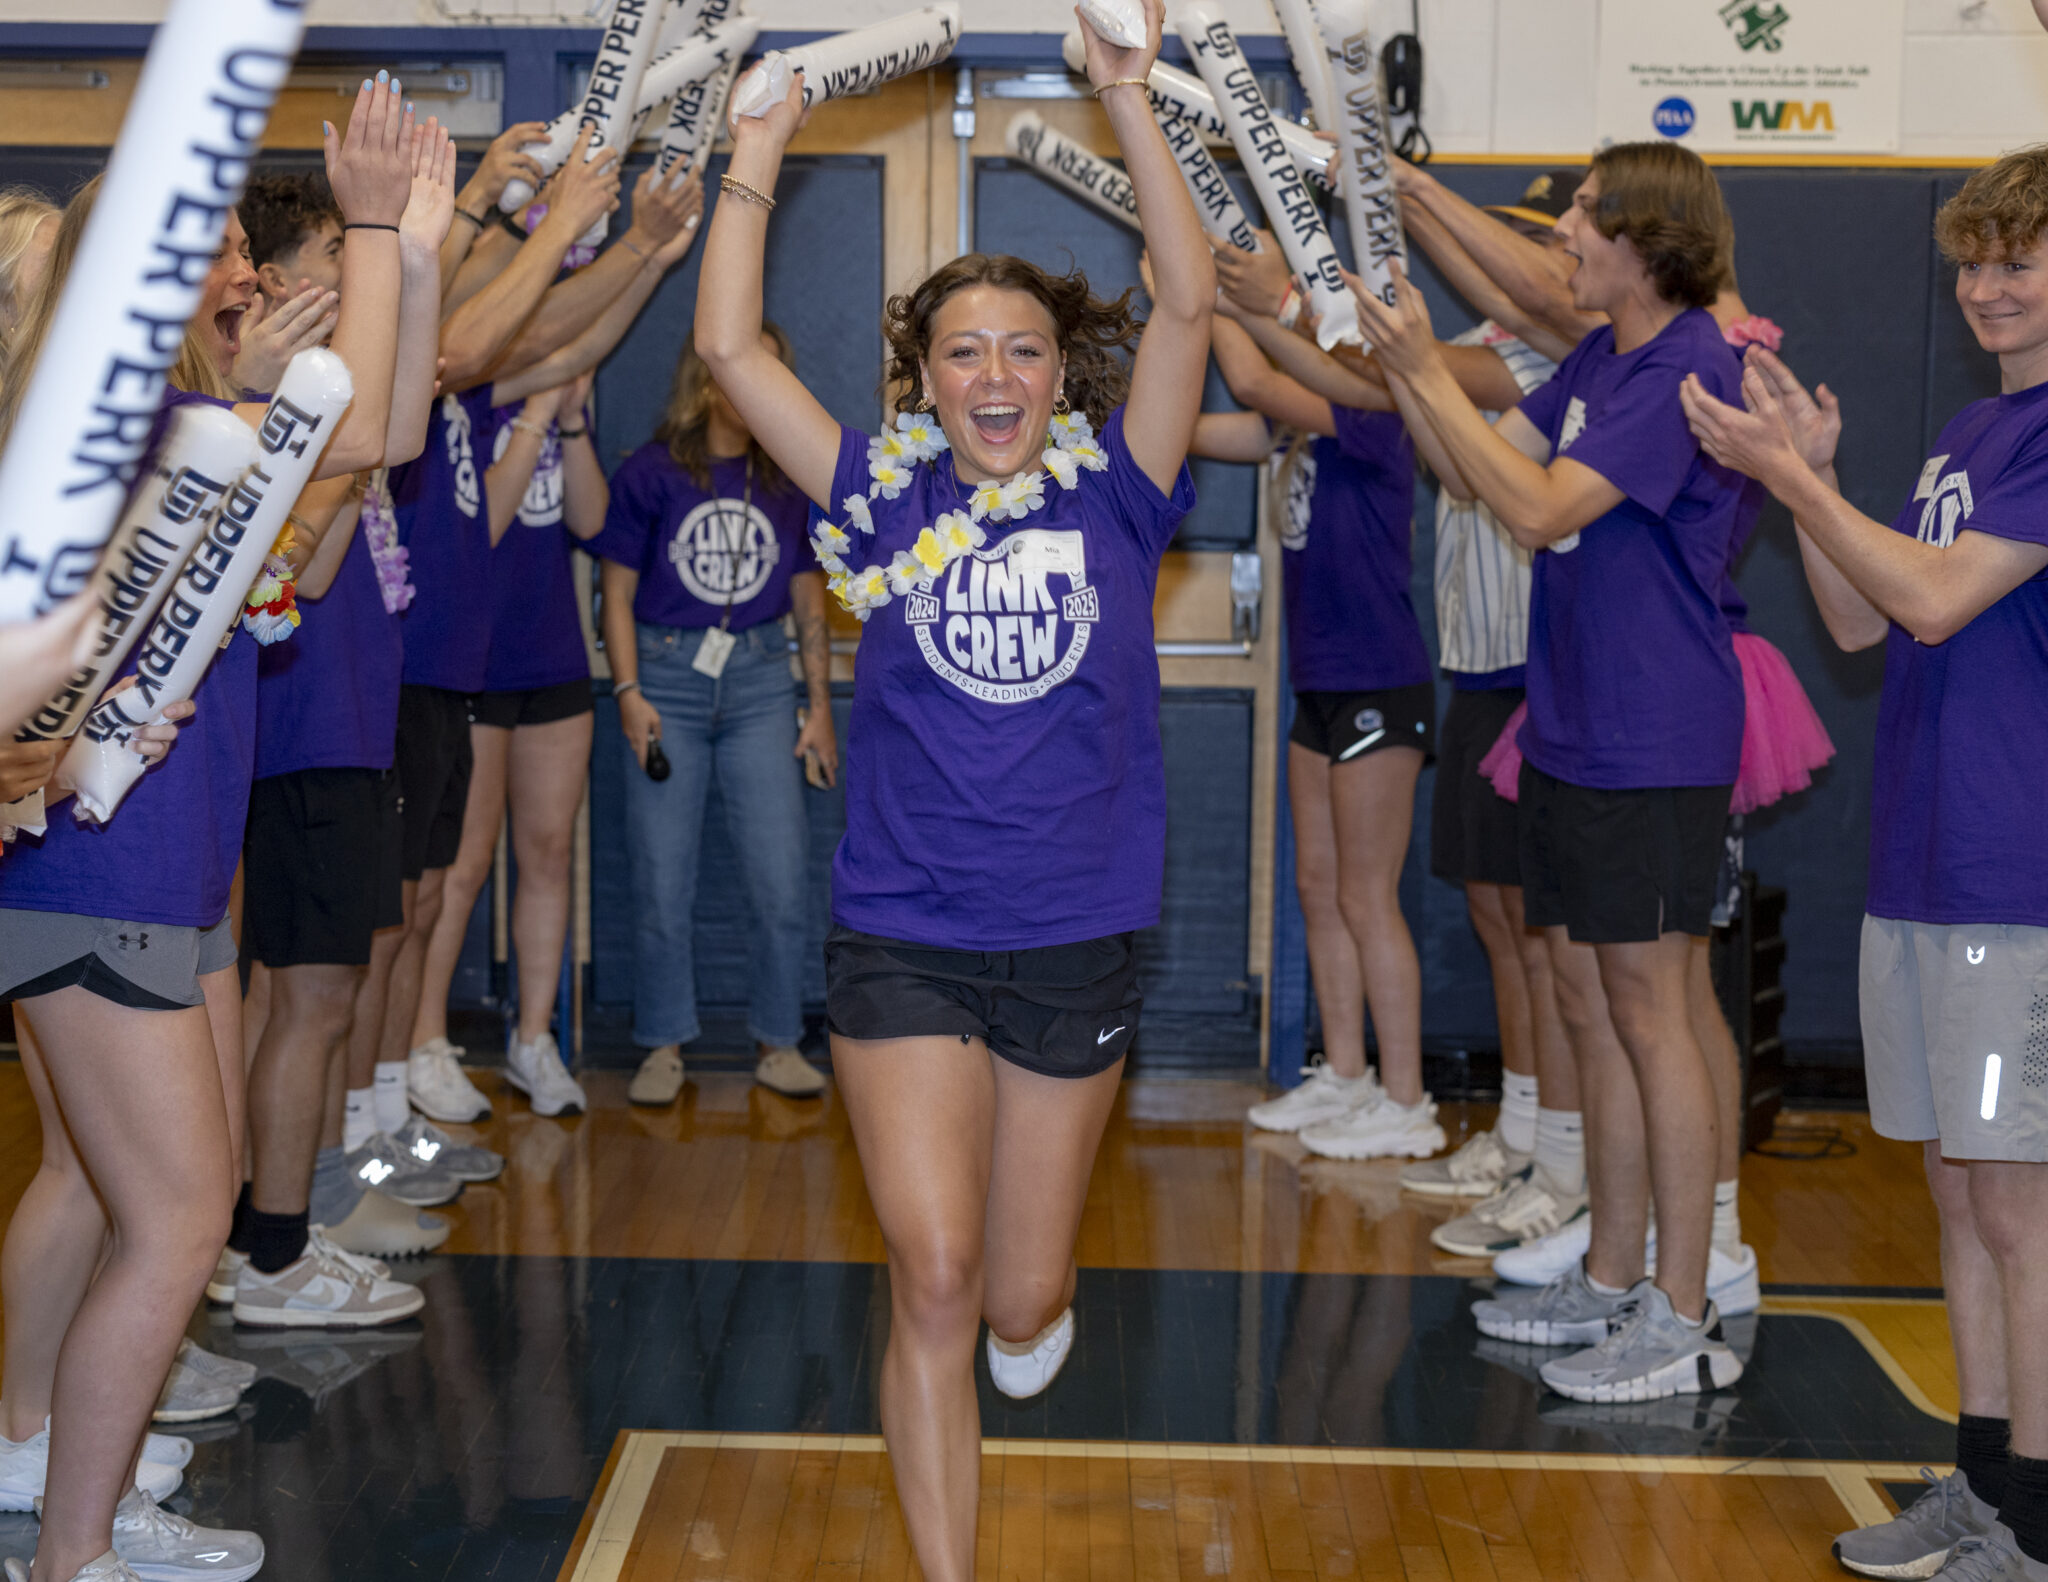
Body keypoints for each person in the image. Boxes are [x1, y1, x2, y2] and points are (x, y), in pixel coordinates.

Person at [691, 0, 1213, 1568]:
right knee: (928, 1272)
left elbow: (1186, 300)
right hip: (905, 932)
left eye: (1027, 350)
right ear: (923, 380)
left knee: (1015, 1293)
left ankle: (1022, 1314)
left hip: (1075, 936)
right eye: (963, 352)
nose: (998, 376)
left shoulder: (1121, 494)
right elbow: (724, 344)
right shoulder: (869, 493)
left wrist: (1127, 101)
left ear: (1063, 375)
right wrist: (758, 153)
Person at [0, 75, 417, 1582]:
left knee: (91, 1183)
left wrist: (404, 257)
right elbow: (368, 425)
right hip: (100, 868)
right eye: (225, 250)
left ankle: (36, 1453)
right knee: (180, 1223)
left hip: (140, 872)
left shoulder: (177, 424)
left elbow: (374, 429)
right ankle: (75, 1550)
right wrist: (374, 230)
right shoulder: (149, 436)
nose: (248, 271)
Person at [1681, 143, 2048, 1582]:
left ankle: (2035, 1518)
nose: (1987, 287)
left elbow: (1939, 595)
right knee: (1962, 1191)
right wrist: (1814, 483)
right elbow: (1856, 621)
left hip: (2017, 887)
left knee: (2018, 1200)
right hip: (1929, 873)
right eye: (1973, 261)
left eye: (2019, 259)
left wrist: (1792, 478)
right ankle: (1985, 1481)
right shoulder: (1971, 439)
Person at [1354, 142, 1747, 1405]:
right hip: (1576, 726)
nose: (1564, 234)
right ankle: (1615, 1271)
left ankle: (1681, 1309)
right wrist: (1413, 374)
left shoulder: (1687, 363)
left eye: (1583, 214)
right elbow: (1479, 464)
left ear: (1643, 240)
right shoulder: (1598, 358)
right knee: (1600, 1015)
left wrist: (1421, 372)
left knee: (1652, 1015)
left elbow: (1533, 510)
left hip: (1652, 734)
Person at [379, 139, 700, 1125]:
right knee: (451, 866)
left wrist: (647, 255)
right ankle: (421, 1041)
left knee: (546, 847)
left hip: (544, 649)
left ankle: (530, 1039)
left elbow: (576, 354)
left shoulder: (495, 368)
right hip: (457, 657)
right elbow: (554, 350)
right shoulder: (456, 375)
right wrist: (632, 253)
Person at [228, 156, 482, 1308]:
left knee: (318, 1000)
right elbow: (365, 463)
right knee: (303, 1001)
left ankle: (287, 1217)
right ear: (276, 283)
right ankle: (270, 1240)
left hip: (345, 732)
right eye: (343, 252)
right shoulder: (266, 412)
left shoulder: (323, 405)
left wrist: (416, 255)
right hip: (301, 737)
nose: (355, 272)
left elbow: (399, 434)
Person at [592, 329, 837, 1107]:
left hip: (765, 681)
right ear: (706, 378)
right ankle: (663, 1043)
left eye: (773, 366)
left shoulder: (790, 475)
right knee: (662, 877)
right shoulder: (651, 472)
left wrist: (820, 708)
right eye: (743, 364)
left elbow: (809, 605)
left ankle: (778, 1039)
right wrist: (629, 693)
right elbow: (616, 597)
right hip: (668, 678)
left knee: (780, 877)